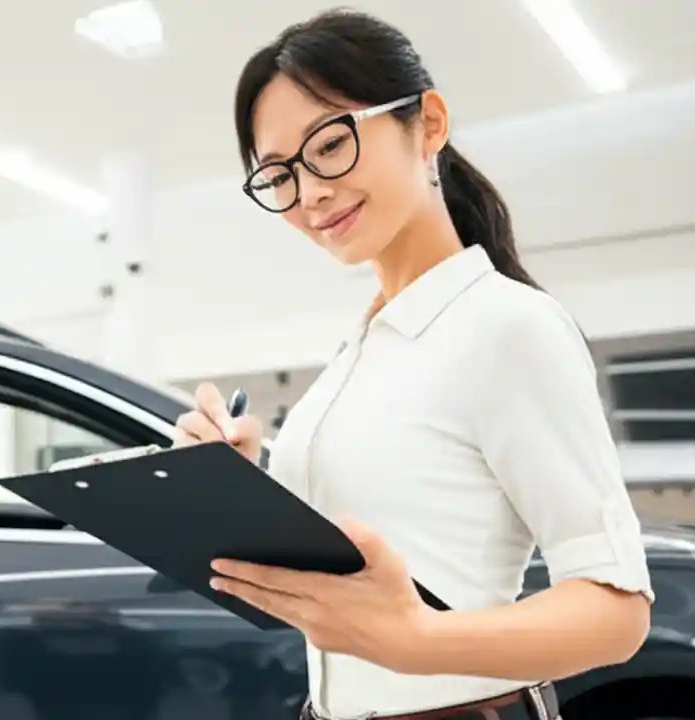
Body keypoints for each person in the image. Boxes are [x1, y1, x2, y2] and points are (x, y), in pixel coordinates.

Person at [173, 9, 654, 720]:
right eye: (278, 175)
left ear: (428, 123)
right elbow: (353, 584)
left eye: (329, 145)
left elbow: (617, 615)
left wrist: (417, 639)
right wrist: (236, 489)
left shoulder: (507, 326)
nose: (309, 195)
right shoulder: (359, 351)